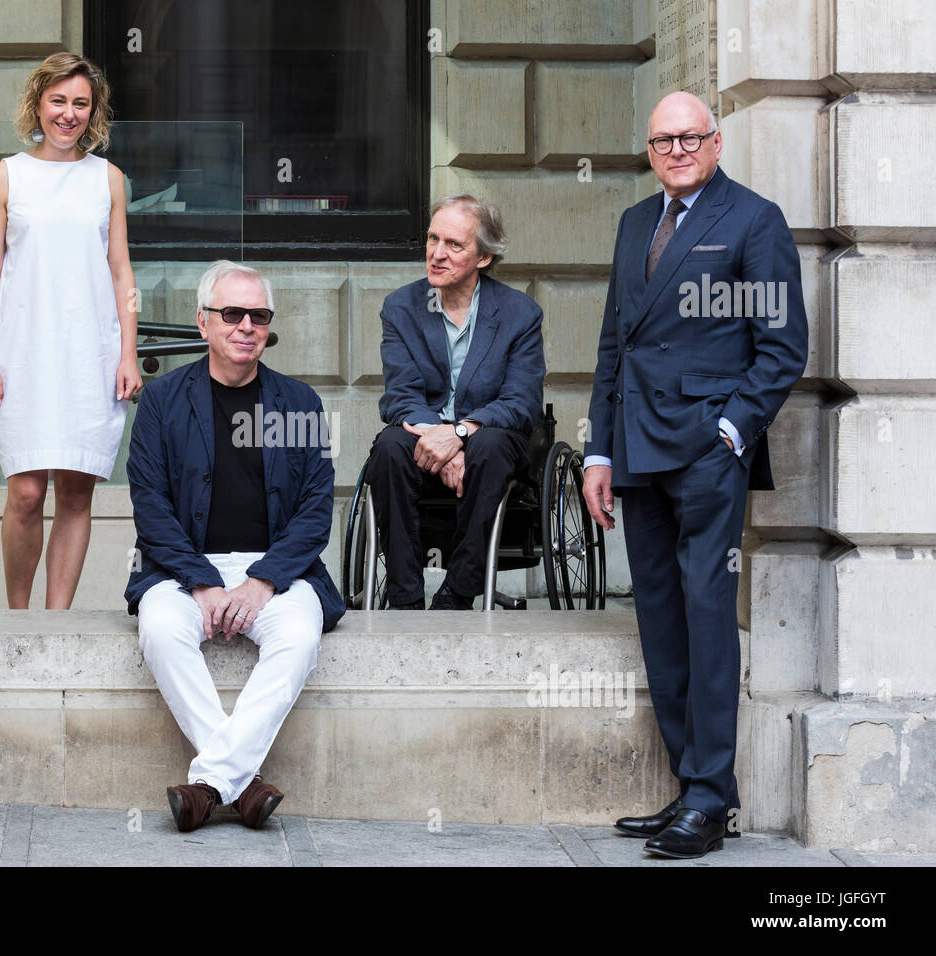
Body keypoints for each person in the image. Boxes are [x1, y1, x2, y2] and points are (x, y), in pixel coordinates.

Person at [581, 91, 808, 858]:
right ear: (649, 151)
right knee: (661, 621)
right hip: (638, 450)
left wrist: (730, 432)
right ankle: (691, 787)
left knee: (707, 618)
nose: (675, 150)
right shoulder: (633, 223)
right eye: (661, 141)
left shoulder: (753, 220)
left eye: (689, 137)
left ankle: (712, 801)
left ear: (715, 142)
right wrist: (599, 452)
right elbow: (616, 344)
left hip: (706, 452)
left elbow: (781, 347)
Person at [125, 260, 344, 833]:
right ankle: (243, 788)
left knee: (299, 635)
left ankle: (208, 787)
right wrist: (200, 579)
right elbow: (150, 505)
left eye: (259, 316)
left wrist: (263, 579)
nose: (246, 325)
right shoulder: (162, 402)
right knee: (161, 629)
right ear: (203, 322)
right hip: (183, 570)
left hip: (276, 573)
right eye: (232, 313)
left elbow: (316, 509)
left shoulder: (300, 404)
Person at [0, 52, 143, 609]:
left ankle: (56, 622)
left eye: (80, 104)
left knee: (76, 492)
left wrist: (128, 354)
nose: (68, 114)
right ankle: (19, 618)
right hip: (21, 353)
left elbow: (121, 270)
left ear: (93, 112)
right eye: (58, 101)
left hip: (89, 354)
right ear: (37, 104)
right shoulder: (5, 177)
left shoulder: (108, 179)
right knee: (24, 491)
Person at [369, 195, 545, 610]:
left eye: (454, 244)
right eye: (433, 239)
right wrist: (444, 444)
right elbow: (401, 394)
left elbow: (521, 401)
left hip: (489, 441)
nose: (437, 253)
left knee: (489, 445)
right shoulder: (402, 307)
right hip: (424, 438)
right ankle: (405, 597)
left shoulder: (520, 313)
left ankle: (459, 589)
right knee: (389, 448)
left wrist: (462, 432)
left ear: (483, 257)